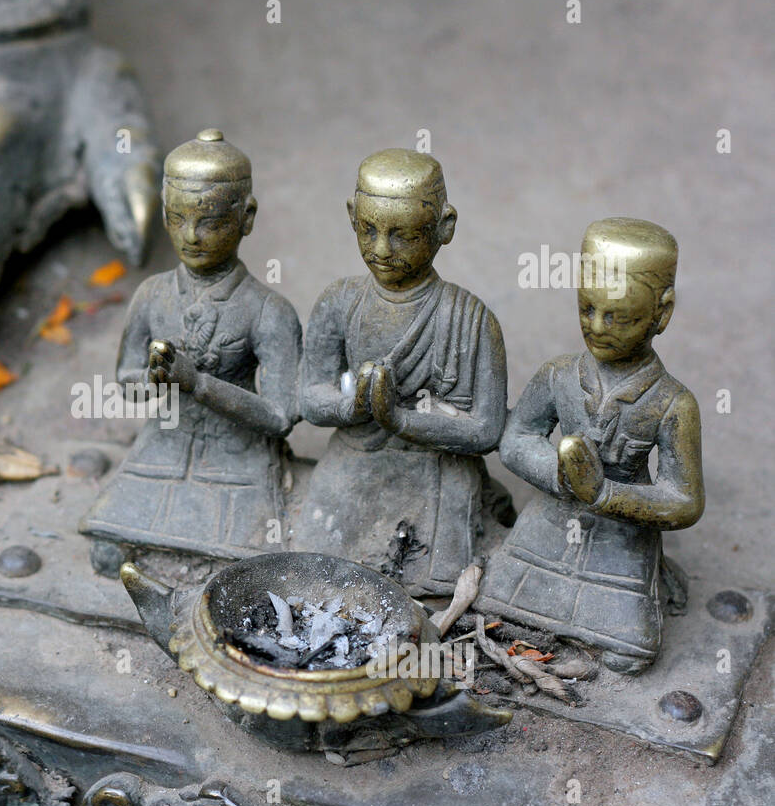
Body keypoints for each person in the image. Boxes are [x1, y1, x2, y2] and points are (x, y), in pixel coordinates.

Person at [477, 218, 704, 673]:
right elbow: (515, 437)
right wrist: (558, 475)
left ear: (662, 314)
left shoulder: (673, 403)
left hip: (623, 527)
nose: (597, 327)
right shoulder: (559, 374)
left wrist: (606, 495)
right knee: (497, 606)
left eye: (619, 316)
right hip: (553, 512)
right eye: (586, 309)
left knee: (628, 651)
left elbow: (684, 500)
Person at [80, 129, 301, 566]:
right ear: (164, 213)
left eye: (211, 222)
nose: (192, 236)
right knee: (107, 554)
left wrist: (199, 384)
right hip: (164, 440)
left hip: (238, 453)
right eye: (178, 219)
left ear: (247, 218)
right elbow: (126, 380)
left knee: (240, 564)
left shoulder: (268, 310)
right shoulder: (152, 294)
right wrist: (155, 380)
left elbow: (279, 416)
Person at [294, 149, 509, 596]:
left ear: (444, 227)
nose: (381, 250)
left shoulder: (470, 318)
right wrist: (353, 405)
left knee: (437, 572)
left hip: (437, 461)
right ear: (352, 216)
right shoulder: (339, 303)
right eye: (369, 230)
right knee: (317, 558)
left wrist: (401, 420)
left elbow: (487, 429)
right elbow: (309, 397)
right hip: (358, 452)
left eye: (404, 235)